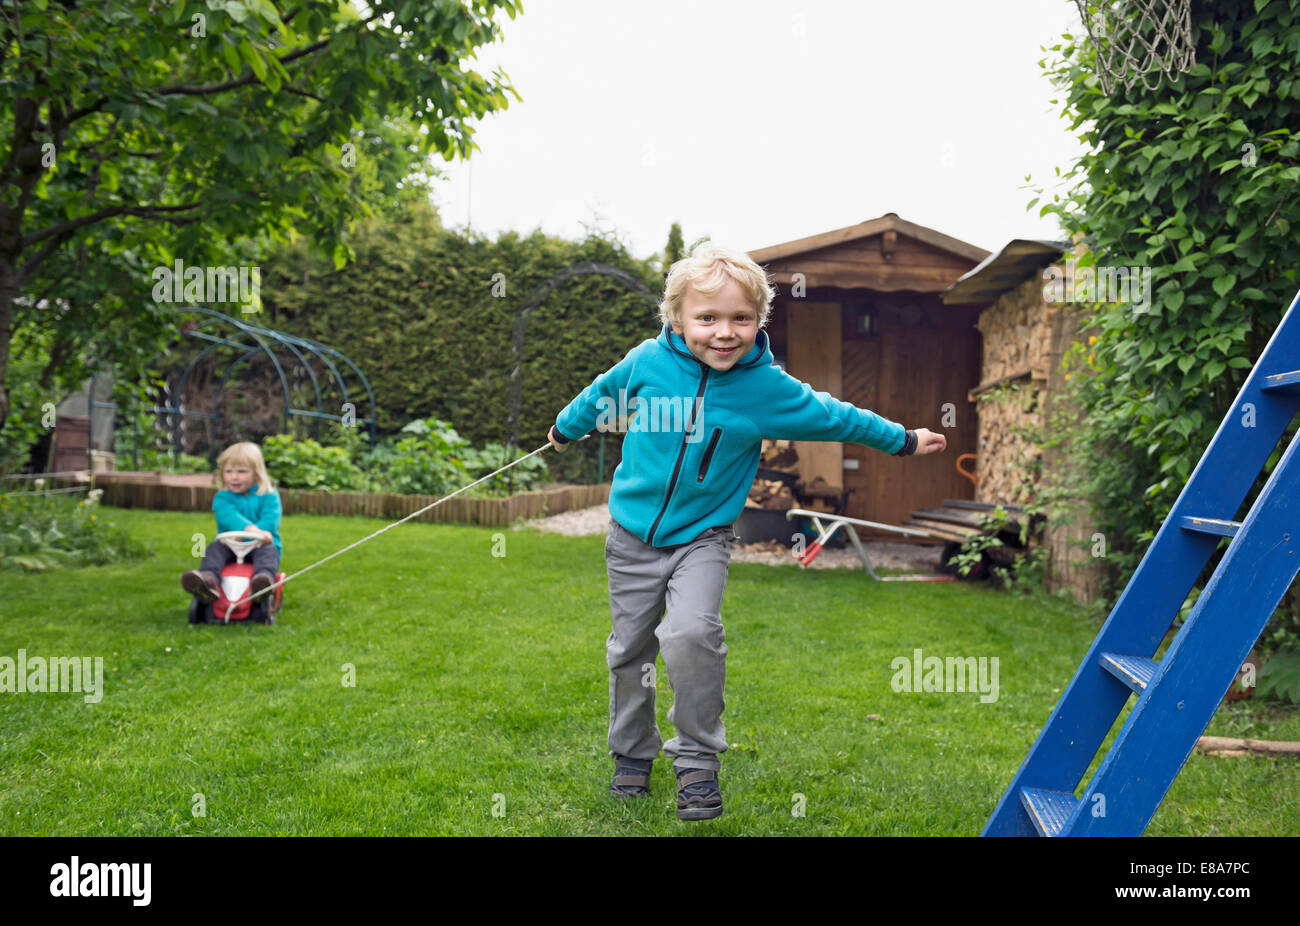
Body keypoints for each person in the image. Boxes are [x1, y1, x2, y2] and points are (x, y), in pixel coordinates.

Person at [547, 243, 946, 821]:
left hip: (703, 538)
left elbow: (836, 416)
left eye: (740, 318)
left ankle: (698, 766)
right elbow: (599, 396)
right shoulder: (647, 363)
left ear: (759, 321)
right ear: (677, 319)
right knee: (629, 651)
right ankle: (632, 756)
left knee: (690, 634)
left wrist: (902, 439)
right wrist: (564, 429)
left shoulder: (767, 389)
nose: (724, 332)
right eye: (707, 318)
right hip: (632, 535)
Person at [180, 441, 283, 605]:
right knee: (214, 549)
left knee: (268, 552)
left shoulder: (270, 496)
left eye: (241, 471)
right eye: (228, 471)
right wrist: (249, 531)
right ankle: (207, 581)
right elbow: (229, 517)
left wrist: (257, 535)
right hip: (231, 546)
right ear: (222, 474)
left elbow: (270, 522)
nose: (234, 477)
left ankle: (262, 584)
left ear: (256, 473)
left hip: (260, 545)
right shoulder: (222, 498)